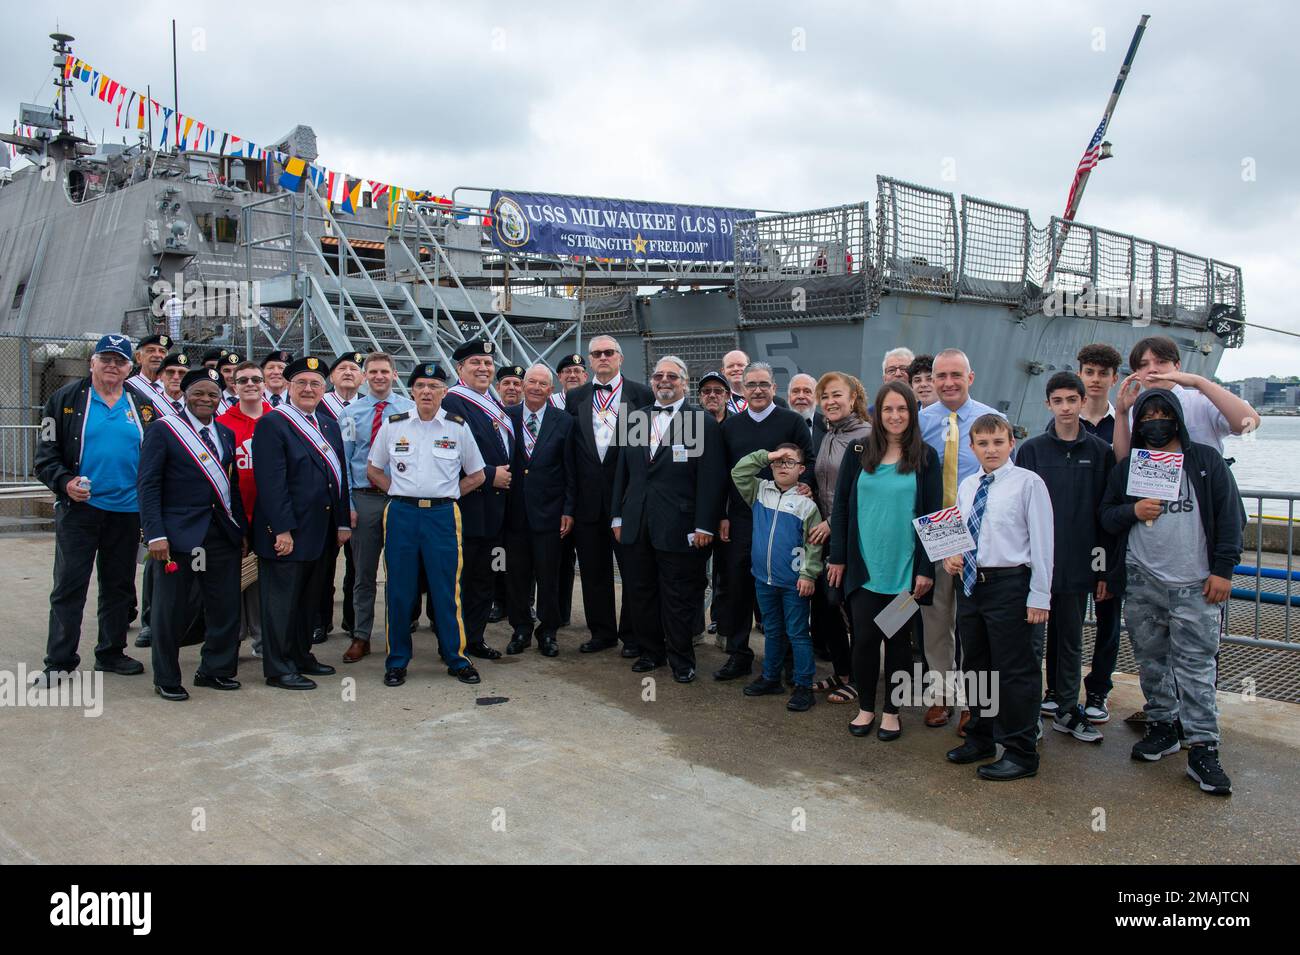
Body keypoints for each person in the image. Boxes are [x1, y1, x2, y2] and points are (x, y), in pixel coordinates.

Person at [1101, 389, 1241, 795]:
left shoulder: (1206, 462)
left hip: (1195, 583)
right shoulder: (1130, 469)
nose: (1155, 422)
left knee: (1197, 667)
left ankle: (1203, 746)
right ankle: (1164, 724)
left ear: (1177, 418)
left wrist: (1223, 570)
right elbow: (1107, 516)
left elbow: (1231, 517)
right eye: (1148, 416)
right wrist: (1133, 510)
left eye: (1163, 414)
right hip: (1143, 578)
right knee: (1151, 660)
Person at [33, 335, 158, 687]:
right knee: (70, 585)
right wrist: (65, 482)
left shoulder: (142, 405)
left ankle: (111, 652)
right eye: (105, 359)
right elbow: (44, 457)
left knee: (119, 586)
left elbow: (154, 456)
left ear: (129, 368)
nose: (112, 366)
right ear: (92, 362)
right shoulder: (63, 400)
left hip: (127, 512)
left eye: (119, 361)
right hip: (80, 512)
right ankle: (59, 661)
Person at [827, 381, 941, 740]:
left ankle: (891, 711)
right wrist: (838, 558)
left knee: (897, 641)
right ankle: (865, 708)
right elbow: (842, 506)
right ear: (878, 413)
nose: (895, 416)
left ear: (912, 413)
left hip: (904, 571)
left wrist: (926, 569)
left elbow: (932, 515)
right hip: (864, 567)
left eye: (902, 409)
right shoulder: (859, 450)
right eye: (888, 409)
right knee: (863, 640)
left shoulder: (925, 456)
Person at [942, 414, 1053, 781]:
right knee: (976, 665)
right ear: (972, 448)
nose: (991, 449)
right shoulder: (969, 485)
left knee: (1015, 671)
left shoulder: (1028, 484)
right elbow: (960, 530)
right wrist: (951, 554)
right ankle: (981, 736)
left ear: (1011, 444)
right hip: (972, 584)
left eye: (998, 442)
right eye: (983, 443)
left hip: (1010, 585)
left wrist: (1040, 595)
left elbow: (1042, 543)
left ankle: (1021, 751)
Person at [367, 362, 486, 686]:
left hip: (442, 516)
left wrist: (449, 494)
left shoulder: (457, 427)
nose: (427, 392)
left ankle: (456, 657)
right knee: (400, 591)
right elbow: (374, 469)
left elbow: (477, 474)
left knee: (446, 590)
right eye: (420, 386)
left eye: (434, 387)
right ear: (412, 391)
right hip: (402, 515)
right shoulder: (394, 425)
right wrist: (396, 490)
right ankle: (397, 661)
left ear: (444, 393)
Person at [612, 355, 725, 681]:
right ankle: (651, 652)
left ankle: (681, 659)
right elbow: (623, 473)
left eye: (672, 376)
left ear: (684, 382)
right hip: (636, 523)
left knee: (677, 596)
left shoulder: (700, 421)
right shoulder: (635, 419)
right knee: (640, 592)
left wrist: (705, 524)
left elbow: (710, 478)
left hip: (679, 526)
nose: (664, 381)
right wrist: (616, 517)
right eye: (658, 375)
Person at [1016, 371, 1115, 743]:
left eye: (1071, 400)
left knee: (1071, 640)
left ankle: (1068, 710)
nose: (1066, 407)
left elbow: (1105, 515)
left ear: (1081, 401)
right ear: (1048, 404)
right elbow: (1018, 510)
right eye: (1058, 401)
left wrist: (1102, 568)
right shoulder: (1032, 450)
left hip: (1079, 562)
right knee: (1033, 642)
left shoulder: (1101, 453)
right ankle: (1030, 712)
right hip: (1037, 564)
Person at [137, 367, 245, 701]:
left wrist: (240, 528)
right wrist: (155, 534)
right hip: (177, 535)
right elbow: (148, 485)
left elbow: (231, 488)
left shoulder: (225, 434)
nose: (206, 399)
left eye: (212, 394)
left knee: (225, 606)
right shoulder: (163, 430)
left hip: (220, 533)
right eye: (198, 392)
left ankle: (215, 669)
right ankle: (167, 677)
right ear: (184, 394)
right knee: (171, 610)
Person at [917, 348, 1003, 730]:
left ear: (970, 377)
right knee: (936, 619)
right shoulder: (920, 422)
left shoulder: (990, 420)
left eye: (956, 375)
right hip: (936, 527)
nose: (948, 383)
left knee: (974, 622)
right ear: (932, 381)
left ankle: (973, 701)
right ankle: (941, 695)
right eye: (941, 376)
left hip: (977, 530)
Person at [252, 356, 350, 690]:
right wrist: (282, 529)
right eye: (302, 383)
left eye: (315, 384)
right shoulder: (273, 423)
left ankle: (300, 654)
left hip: (320, 531)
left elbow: (339, 477)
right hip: (289, 532)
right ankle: (278, 667)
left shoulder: (327, 424)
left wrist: (341, 522)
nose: (309, 389)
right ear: (289, 387)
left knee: (309, 599)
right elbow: (271, 482)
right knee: (281, 602)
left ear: (325, 389)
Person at [716, 362, 815, 681]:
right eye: (751, 385)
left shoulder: (791, 422)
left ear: (774, 387)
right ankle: (738, 652)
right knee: (737, 587)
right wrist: (722, 514)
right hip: (743, 519)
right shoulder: (731, 426)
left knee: (785, 586)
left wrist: (805, 484)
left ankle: (786, 658)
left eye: (764, 384)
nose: (757, 390)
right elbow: (722, 473)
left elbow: (809, 460)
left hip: (784, 520)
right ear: (741, 389)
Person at [563, 335, 654, 655]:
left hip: (628, 501)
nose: (603, 358)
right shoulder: (575, 398)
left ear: (620, 358)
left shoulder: (642, 395)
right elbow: (570, 456)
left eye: (608, 353)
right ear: (589, 360)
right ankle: (602, 632)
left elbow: (646, 455)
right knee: (593, 570)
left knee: (633, 571)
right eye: (596, 354)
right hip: (588, 502)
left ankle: (632, 635)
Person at [733, 444, 824, 711]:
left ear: (802, 469)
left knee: (797, 633)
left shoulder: (807, 504)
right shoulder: (760, 491)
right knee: (771, 631)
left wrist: (808, 574)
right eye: (778, 462)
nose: (783, 467)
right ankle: (771, 677)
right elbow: (739, 472)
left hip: (794, 583)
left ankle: (803, 685)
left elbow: (814, 544)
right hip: (764, 579)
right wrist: (766, 456)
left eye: (790, 462)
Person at [441, 338, 513, 661]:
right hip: (469, 508)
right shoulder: (453, 403)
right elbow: (447, 452)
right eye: (475, 363)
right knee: (462, 580)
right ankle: (453, 643)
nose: (483, 368)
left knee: (485, 577)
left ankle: (475, 638)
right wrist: (489, 473)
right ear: (460, 369)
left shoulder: (494, 405)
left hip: (496, 513)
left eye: (487, 363)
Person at [341, 352, 415, 663]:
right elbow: (343, 462)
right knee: (364, 573)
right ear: (364, 376)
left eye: (385, 371)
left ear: (394, 375)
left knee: (401, 571)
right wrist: (348, 505)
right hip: (365, 498)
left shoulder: (409, 411)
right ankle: (361, 635)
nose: (379, 376)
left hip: (399, 498)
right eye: (373, 372)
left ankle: (398, 633)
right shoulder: (350, 414)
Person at [807, 372, 870, 703]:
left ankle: (860, 678)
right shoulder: (829, 434)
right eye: (825, 396)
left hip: (854, 536)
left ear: (853, 398)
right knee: (825, 605)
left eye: (836, 395)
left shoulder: (867, 436)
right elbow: (829, 483)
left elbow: (865, 492)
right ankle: (842, 670)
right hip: (828, 534)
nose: (830, 402)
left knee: (851, 606)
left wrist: (833, 521)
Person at [504, 364, 576, 656]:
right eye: (530, 382)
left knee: (549, 576)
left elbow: (571, 470)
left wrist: (569, 509)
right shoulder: (505, 417)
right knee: (516, 575)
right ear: (522, 386)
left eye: (542, 384)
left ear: (551, 389)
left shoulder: (565, 422)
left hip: (550, 513)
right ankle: (521, 629)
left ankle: (548, 631)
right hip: (514, 512)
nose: (535, 387)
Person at [1073, 342, 1123, 722]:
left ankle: (1098, 692)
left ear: (1113, 379)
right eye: (1089, 372)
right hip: (1073, 534)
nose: (1095, 380)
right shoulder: (1064, 421)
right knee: (1065, 617)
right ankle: (1061, 688)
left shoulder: (1123, 424)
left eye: (1102, 374)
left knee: (1107, 617)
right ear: (1080, 375)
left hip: (1109, 533)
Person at [1112, 335, 1259, 459]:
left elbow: (1249, 423)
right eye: (1143, 365)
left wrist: (1199, 382)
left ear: (1177, 365)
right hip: (1151, 491)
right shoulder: (1133, 410)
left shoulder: (1201, 401)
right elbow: (1124, 461)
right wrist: (1121, 412)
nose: (1152, 369)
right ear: (1136, 372)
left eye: (1161, 362)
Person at [218, 360, 270, 658]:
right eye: (244, 380)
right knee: (234, 579)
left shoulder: (278, 418)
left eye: (256, 379)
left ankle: (263, 640)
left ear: (264, 384)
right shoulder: (223, 422)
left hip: (266, 515)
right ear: (234, 386)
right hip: (234, 514)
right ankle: (233, 639)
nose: (250, 384)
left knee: (263, 579)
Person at [313, 350, 365, 645]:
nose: (349, 372)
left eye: (355, 369)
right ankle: (320, 621)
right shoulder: (318, 406)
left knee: (358, 564)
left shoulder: (369, 408)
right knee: (324, 563)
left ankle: (353, 619)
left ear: (362, 378)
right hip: (326, 497)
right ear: (331, 377)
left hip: (358, 495)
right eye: (342, 368)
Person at [552, 353, 588, 622]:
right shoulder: (550, 405)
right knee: (559, 560)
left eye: (577, 370)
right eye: (567, 371)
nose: (573, 375)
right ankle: (560, 613)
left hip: (588, 490)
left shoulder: (594, 402)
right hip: (559, 491)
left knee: (590, 561)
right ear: (559, 377)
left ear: (585, 376)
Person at [126, 333, 172, 406]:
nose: (157, 355)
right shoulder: (127, 387)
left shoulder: (174, 388)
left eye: (162, 351)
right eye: (151, 350)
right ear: (138, 357)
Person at [786, 373, 824, 445]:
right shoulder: (777, 425)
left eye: (807, 391)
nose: (801, 396)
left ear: (816, 399)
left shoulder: (830, 427)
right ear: (788, 398)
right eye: (795, 391)